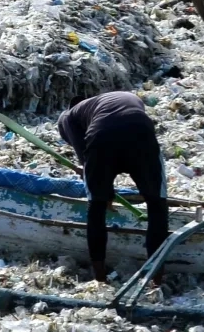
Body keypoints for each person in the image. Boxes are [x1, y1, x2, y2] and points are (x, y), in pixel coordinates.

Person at [58, 91, 169, 283]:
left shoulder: (67, 117)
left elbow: (85, 158)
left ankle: (100, 278)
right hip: (140, 130)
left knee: (97, 207)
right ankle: (156, 279)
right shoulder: (114, 99)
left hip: (102, 136)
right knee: (157, 204)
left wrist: (102, 189)